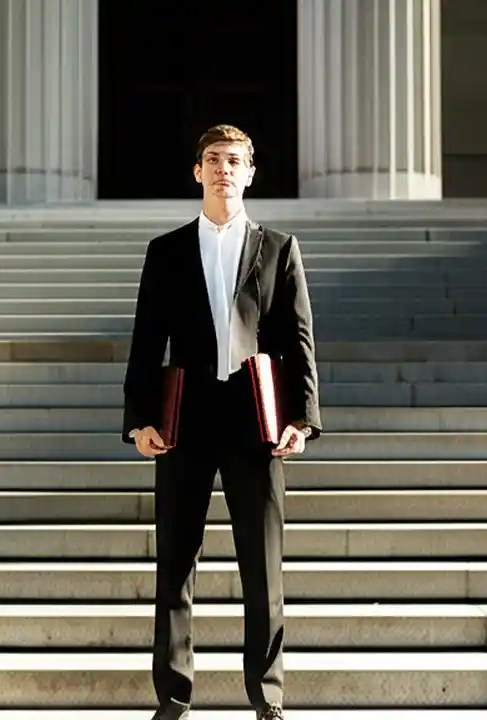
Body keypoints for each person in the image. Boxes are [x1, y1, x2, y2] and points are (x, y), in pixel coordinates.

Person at [121, 124, 323, 720]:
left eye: (235, 161)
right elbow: (144, 342)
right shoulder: (167, 250)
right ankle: (173, 697)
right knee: (175, 564)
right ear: (197, 171)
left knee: (262, 565)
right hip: (183, 416)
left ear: (251, 172)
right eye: (213, 159)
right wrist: (139, 419)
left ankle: (268, 695)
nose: (224, 170)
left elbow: (300, 340)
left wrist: (301, 419)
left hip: (252, 416)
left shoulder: (279, 248)